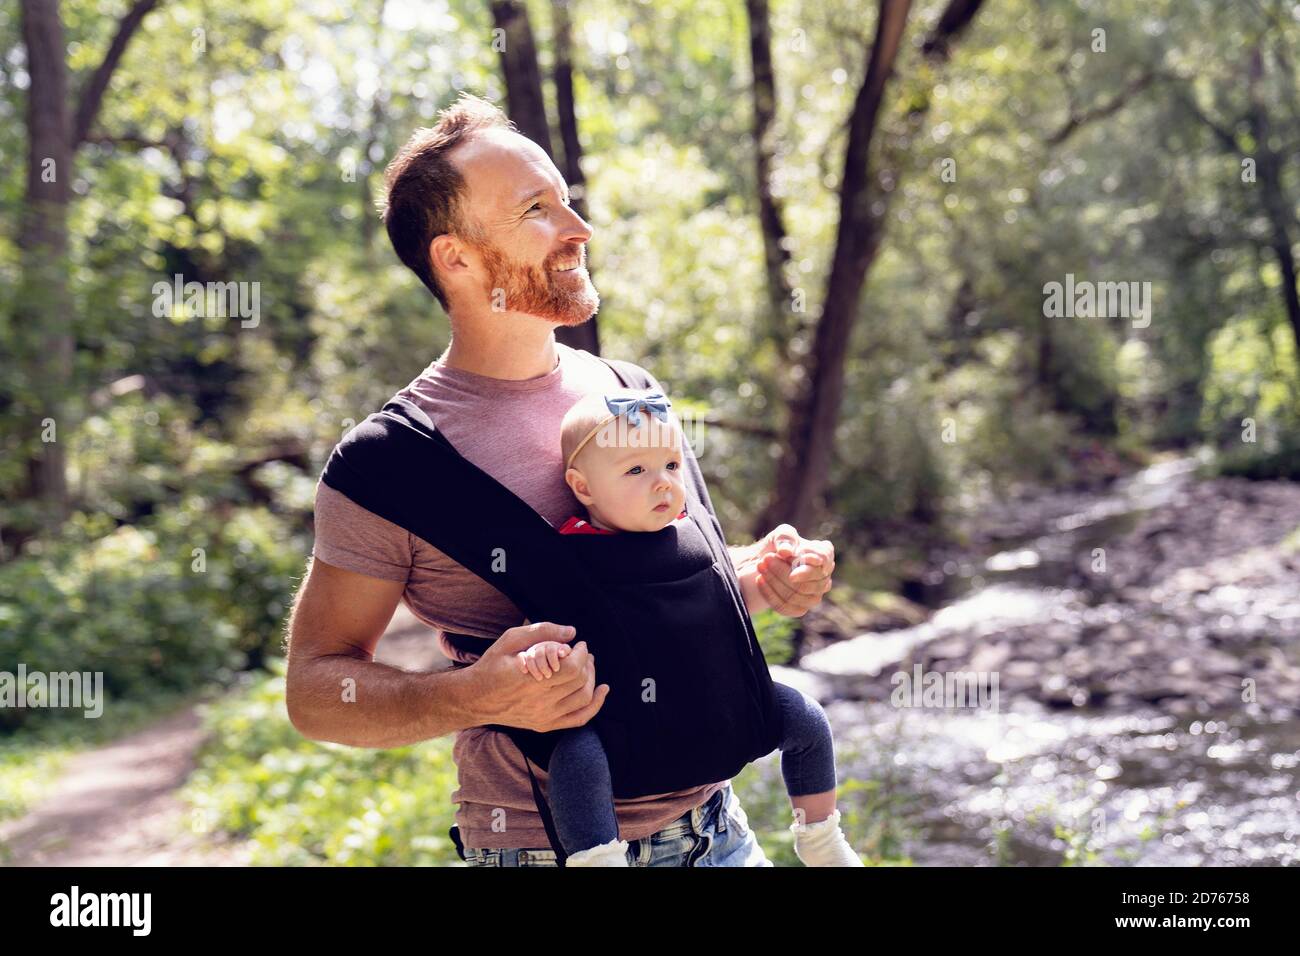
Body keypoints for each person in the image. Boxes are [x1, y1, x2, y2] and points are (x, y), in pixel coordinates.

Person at [284, 92, 836, 867]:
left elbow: (658, 581)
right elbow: (314, 692)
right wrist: (472, 695)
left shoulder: (627, 389)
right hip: (544, 849)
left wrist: (763, 574)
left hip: (719, 832)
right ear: (459, 258)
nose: (579, 230)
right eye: (538, 210)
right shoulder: (387, 464)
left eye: (568, 203)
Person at [506, 389, 862, 867]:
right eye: (636, 470)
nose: (663, 484)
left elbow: (732, 601)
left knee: (805, 718)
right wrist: (539, 655)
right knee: (575, 759)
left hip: (711, 707)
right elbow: (540, 630)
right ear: (583, 486)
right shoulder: (569, 559)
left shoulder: (692, 538)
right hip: (620, 727)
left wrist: (784, 564)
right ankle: (597, 859)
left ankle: (820, 838)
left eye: (671, 466)